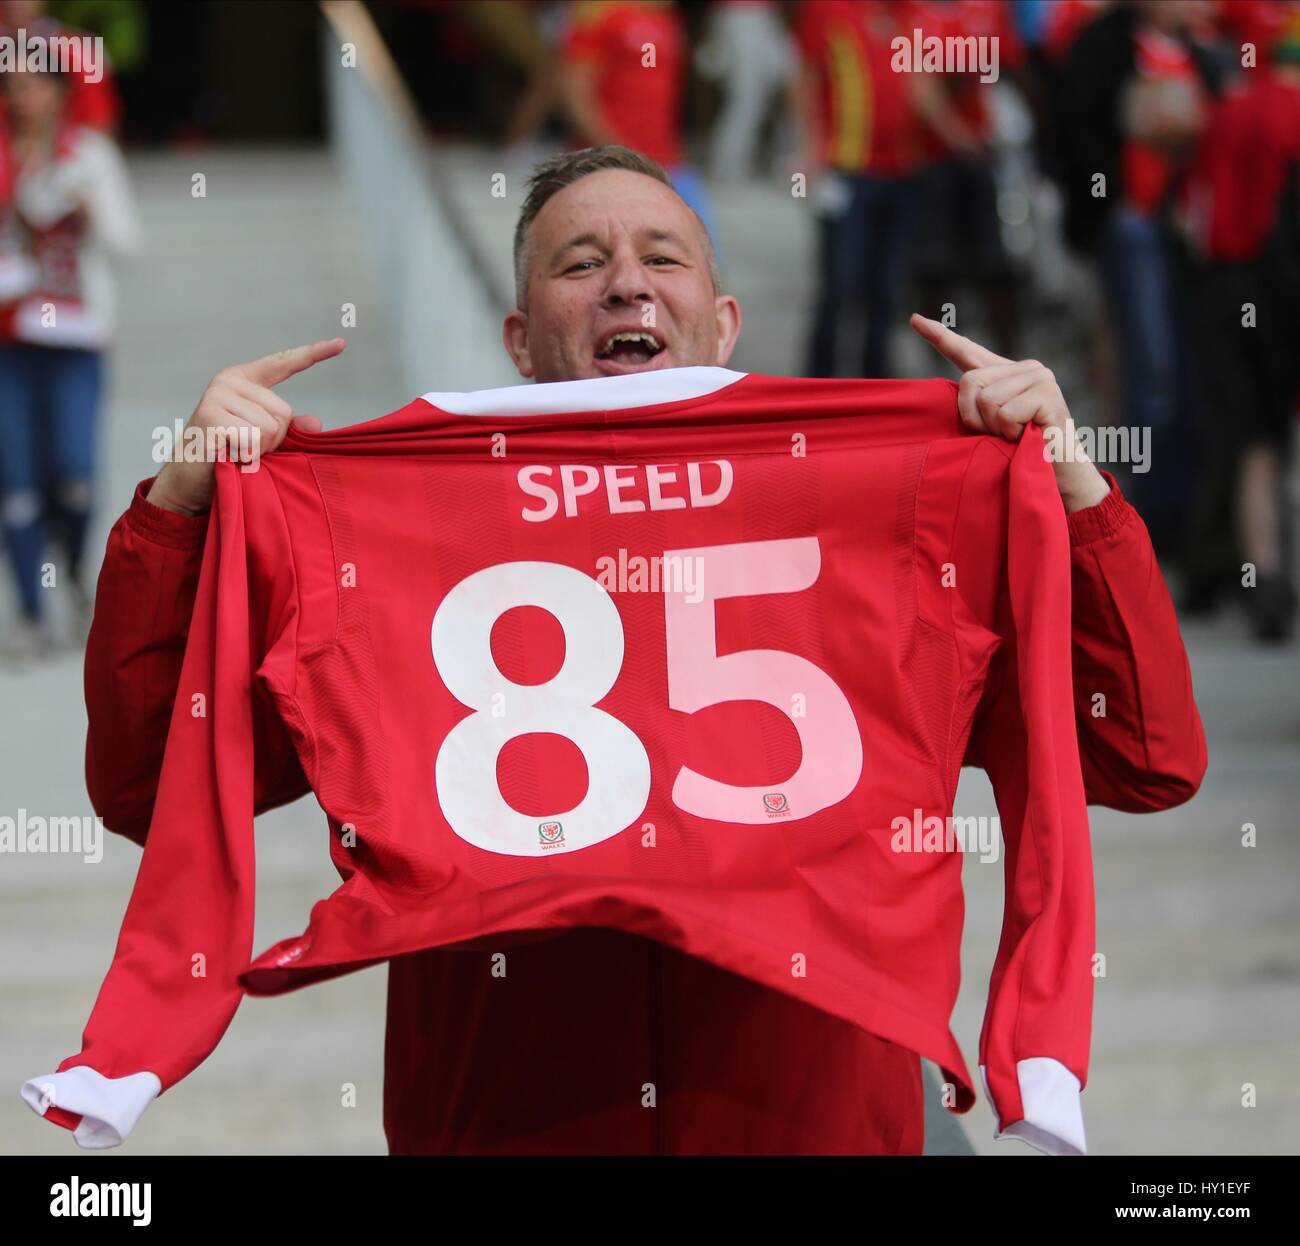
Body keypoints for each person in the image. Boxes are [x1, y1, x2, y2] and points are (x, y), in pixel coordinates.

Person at [80, 145, 1205, 1154]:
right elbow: (146, 785)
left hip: (813, 1120)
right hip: (510, 1119)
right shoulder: (394, 537)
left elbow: (1143, 758)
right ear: (518, 341)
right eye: (579, 262)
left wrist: (1074, 490)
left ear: (721, 324)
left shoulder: (875, 510)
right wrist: (177, 519)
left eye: (659, 256)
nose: (625, 279)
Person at [0, 61, 141, 658]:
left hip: (75, 341)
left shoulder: (88, 155)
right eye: (12, 85)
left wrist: (92, 209)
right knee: (17, 486)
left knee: (76, 477)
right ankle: (34, 611)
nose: (22, 96)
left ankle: (75, 569)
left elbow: (130, 244)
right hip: (7, 342)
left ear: (59, 92)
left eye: (34, 84)